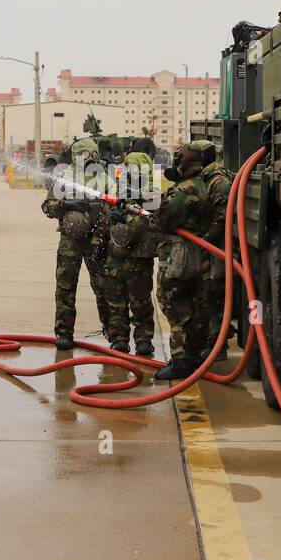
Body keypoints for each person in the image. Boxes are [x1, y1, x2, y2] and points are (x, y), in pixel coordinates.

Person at [41, 137, 112, 351]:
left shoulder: (105, 179)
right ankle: (64, 333)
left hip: (97, 241)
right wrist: (66, 204)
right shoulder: (63, 177)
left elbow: (115, 208)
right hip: (69, 243)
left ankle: (113, 332)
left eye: (92, 154)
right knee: (65, 288)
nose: (89, 158)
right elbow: (47, 207)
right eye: (84, 154)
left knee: (103, 288)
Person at [150, 142, 211, 381]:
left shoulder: (183, 191)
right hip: (196, 254)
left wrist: (149, 216)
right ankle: (193, 356)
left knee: (172, 303)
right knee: (193, 305)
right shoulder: (202, 186)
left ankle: (180, 360)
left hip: (178, 255)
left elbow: (161, 222)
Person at [104, 137, 159, 356]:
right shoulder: (115, 191)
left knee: (141, 300)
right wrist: (112, 214)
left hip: (140, 257)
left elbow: (157, 219)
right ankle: (119, 338)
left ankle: (144, 339)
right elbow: (103, 217)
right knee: (116, 300)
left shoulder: (153, 196)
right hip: (116, 254)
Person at [190, 140, 233, 361]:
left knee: (213, 296)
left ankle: (218, 346)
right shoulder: (203, 179)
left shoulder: (218, 183)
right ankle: (209, 342)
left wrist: (204, 240)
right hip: (207, 249)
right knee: (203, 296)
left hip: (216, 250)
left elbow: (222, 219)